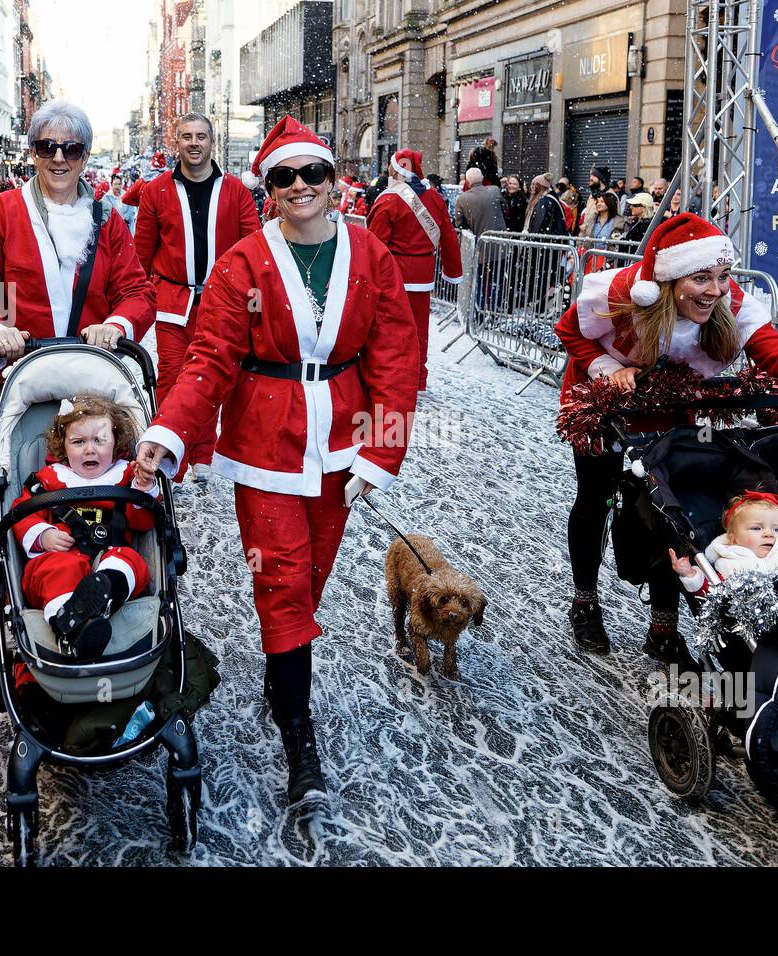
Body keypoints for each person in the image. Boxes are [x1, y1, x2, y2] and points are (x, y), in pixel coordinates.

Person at [133, 116, 420, 804]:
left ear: (334, 181)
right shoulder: (242, 264)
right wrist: (168, 434)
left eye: (311, 174)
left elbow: (395, 357)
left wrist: (382, 450)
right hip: (264, 444)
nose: (300, 187)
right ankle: (300, 730)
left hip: (341, 442)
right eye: (283, 177)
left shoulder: (370, 256)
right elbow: (208, 361)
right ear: (269, 188)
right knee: (283, 580)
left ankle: (279, 667)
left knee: (312, 575)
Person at [553, 213, 778, 661]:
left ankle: (664, 625)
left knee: (666, 506)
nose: (716, 290)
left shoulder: (727, 301)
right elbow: (570, 331)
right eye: (702, 278)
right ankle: (585, 601)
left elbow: (768, 350)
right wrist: (612, 371)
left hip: (673, 403)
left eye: (722, 276)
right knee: (596, 498)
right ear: (670, 279)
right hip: (604, 400)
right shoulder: (625, 294)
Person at [0, 99, 155, 414]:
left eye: (71, 149)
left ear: (85, 157)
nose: (59, 158)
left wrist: (115, 325)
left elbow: (137, 291)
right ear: (33, 153)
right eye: (47, 147)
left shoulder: (106, 218)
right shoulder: (2, 212)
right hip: (20, 378)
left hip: (93, 381)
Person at [134, 112, 261, 481]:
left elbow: (252, 248)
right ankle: (176, 457)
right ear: (177, 142)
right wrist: (137, 299)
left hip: (223, 303)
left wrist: (254, 298)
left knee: (213, 377)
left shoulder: (236, 190)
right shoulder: (156, 191)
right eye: (186, 136)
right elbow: (141, 253)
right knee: (173, 378)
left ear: (211, 142)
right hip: (172, 301)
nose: (194, 142)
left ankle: (204, 453)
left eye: (201, 136)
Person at [12, 394, 158, 659]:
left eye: (99, 441)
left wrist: (144, 488)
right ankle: (68, 620)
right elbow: (22, 514)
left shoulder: (127, 475)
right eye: (78, 442)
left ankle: (103, 595)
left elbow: (143, 521)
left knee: (131, 560)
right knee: (57, 568)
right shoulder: (48, 480)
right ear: (62, 447)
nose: (89, 450)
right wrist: (43, 535)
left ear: (116, 443)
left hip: (109, 554)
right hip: (61, 556)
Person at [366, 147, 463, 391]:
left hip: (393, 275)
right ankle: (417, 377)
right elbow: (449, 238)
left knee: (389, 328)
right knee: (419, 330)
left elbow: (376, 245)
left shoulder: (389, 200)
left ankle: (392, 376)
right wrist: (452, 271)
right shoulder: (435, 199)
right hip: (423, 275)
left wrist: (368, 274)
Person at [670, 492, 778, 595]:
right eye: (756, 528)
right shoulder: (730, 563)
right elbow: (712, 593)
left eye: (777, 529)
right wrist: (691, 575)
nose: (769, 534)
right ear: (733, 539)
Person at [452, 166, 506, 240]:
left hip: (478, 241)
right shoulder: (495, 190)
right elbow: (505, 210)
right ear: (482, 178)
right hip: (500, 240)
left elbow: (459, 223)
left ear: (467, 182)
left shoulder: (462, 198)